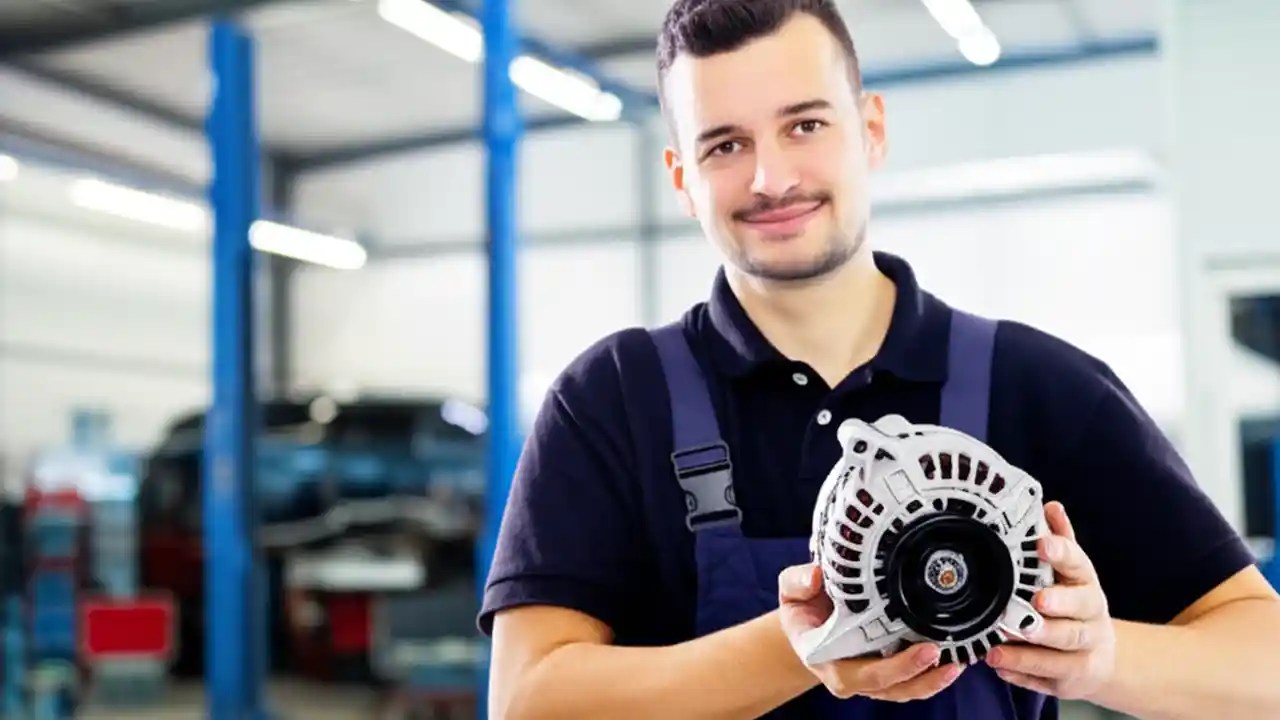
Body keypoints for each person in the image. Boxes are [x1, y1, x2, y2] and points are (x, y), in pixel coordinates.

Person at [478, 0, 1280, 717]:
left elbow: (1264, 664)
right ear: (682, 179)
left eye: (805, 124)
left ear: (871, 130)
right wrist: (801, 649)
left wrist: (1103, 659)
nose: (772, 177)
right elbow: (528, 700)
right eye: (725, 145)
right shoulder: (613, 398)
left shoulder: (1038, 386)